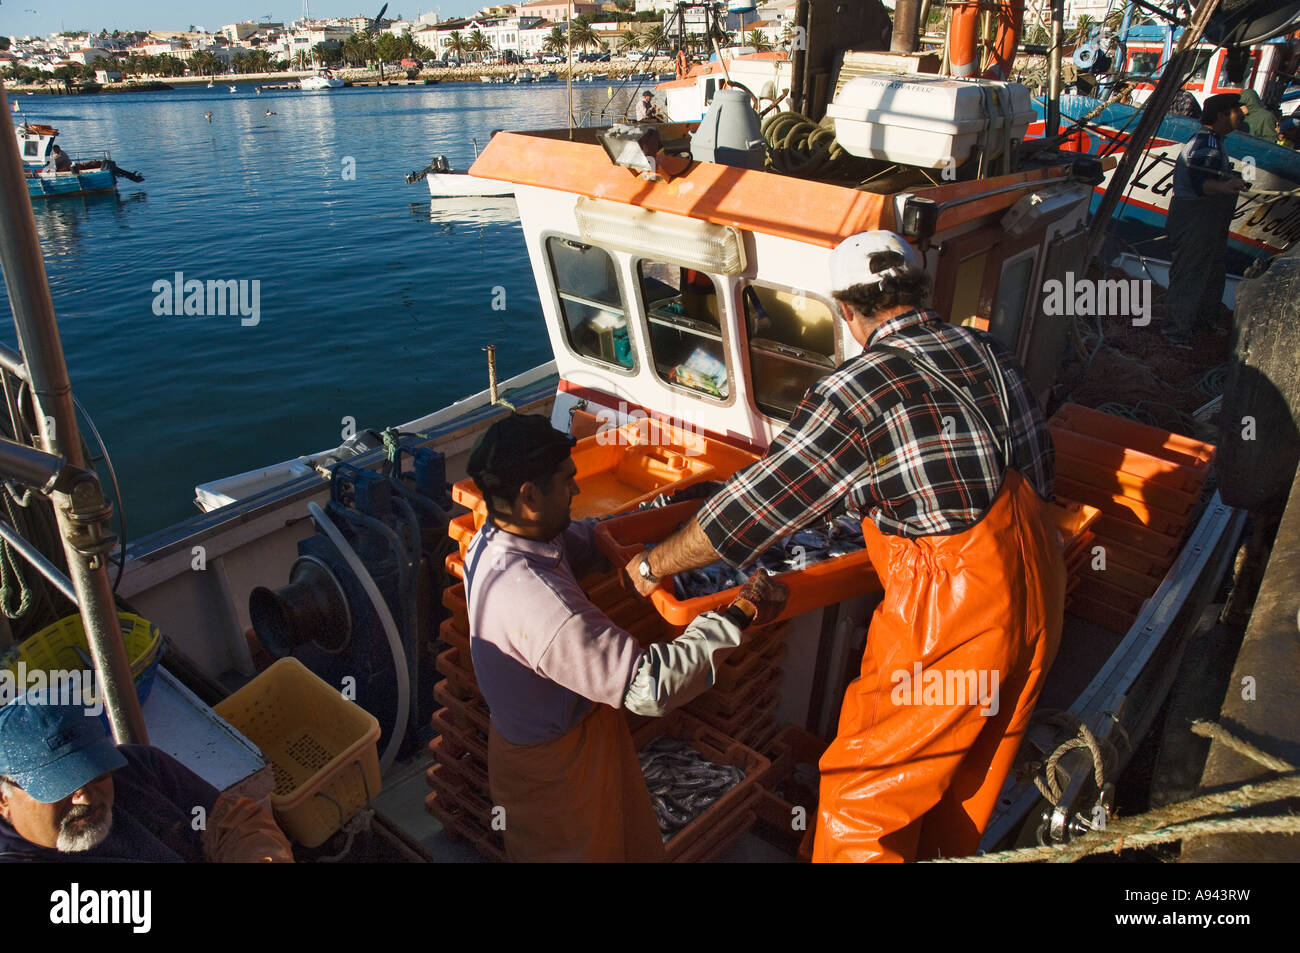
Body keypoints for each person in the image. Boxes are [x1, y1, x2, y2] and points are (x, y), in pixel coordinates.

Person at [625, 231, 1065, 862]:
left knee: (865, 795)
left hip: (953, 622)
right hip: (1038, 591)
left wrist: (652, 563)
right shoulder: (987, 350)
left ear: (847, 312)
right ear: (920, 291)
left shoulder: (857, 387)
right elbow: (1039, 470)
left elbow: (754, 509)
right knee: (962, 780)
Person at [463, 413, 786, 862]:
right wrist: (738, 615)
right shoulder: (538, 603)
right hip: (555, 772)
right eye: (567, 481)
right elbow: (649, 689)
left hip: (560, 738)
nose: (576, 491)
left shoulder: (500, 538)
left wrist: (673, 542)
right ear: (530, 494)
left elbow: (589, 540)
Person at [0, 699, 293, 863]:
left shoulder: (139, 768)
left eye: (96, 772)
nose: (86, 797)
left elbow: (229, 823)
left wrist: (262, 856)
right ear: (4, 800)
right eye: (61, 785)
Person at [1163, 93, 1249, 350]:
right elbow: (1202, 184)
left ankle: (1200, 322)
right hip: (1195, 218)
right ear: (1222, 115)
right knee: (1190, 272)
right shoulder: (1206, 142)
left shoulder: (1215, 142)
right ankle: (1175, 331)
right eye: (1236, 111)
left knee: (1209, 271)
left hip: (1206, 220)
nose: (1240, 116)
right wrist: (1226, 186)